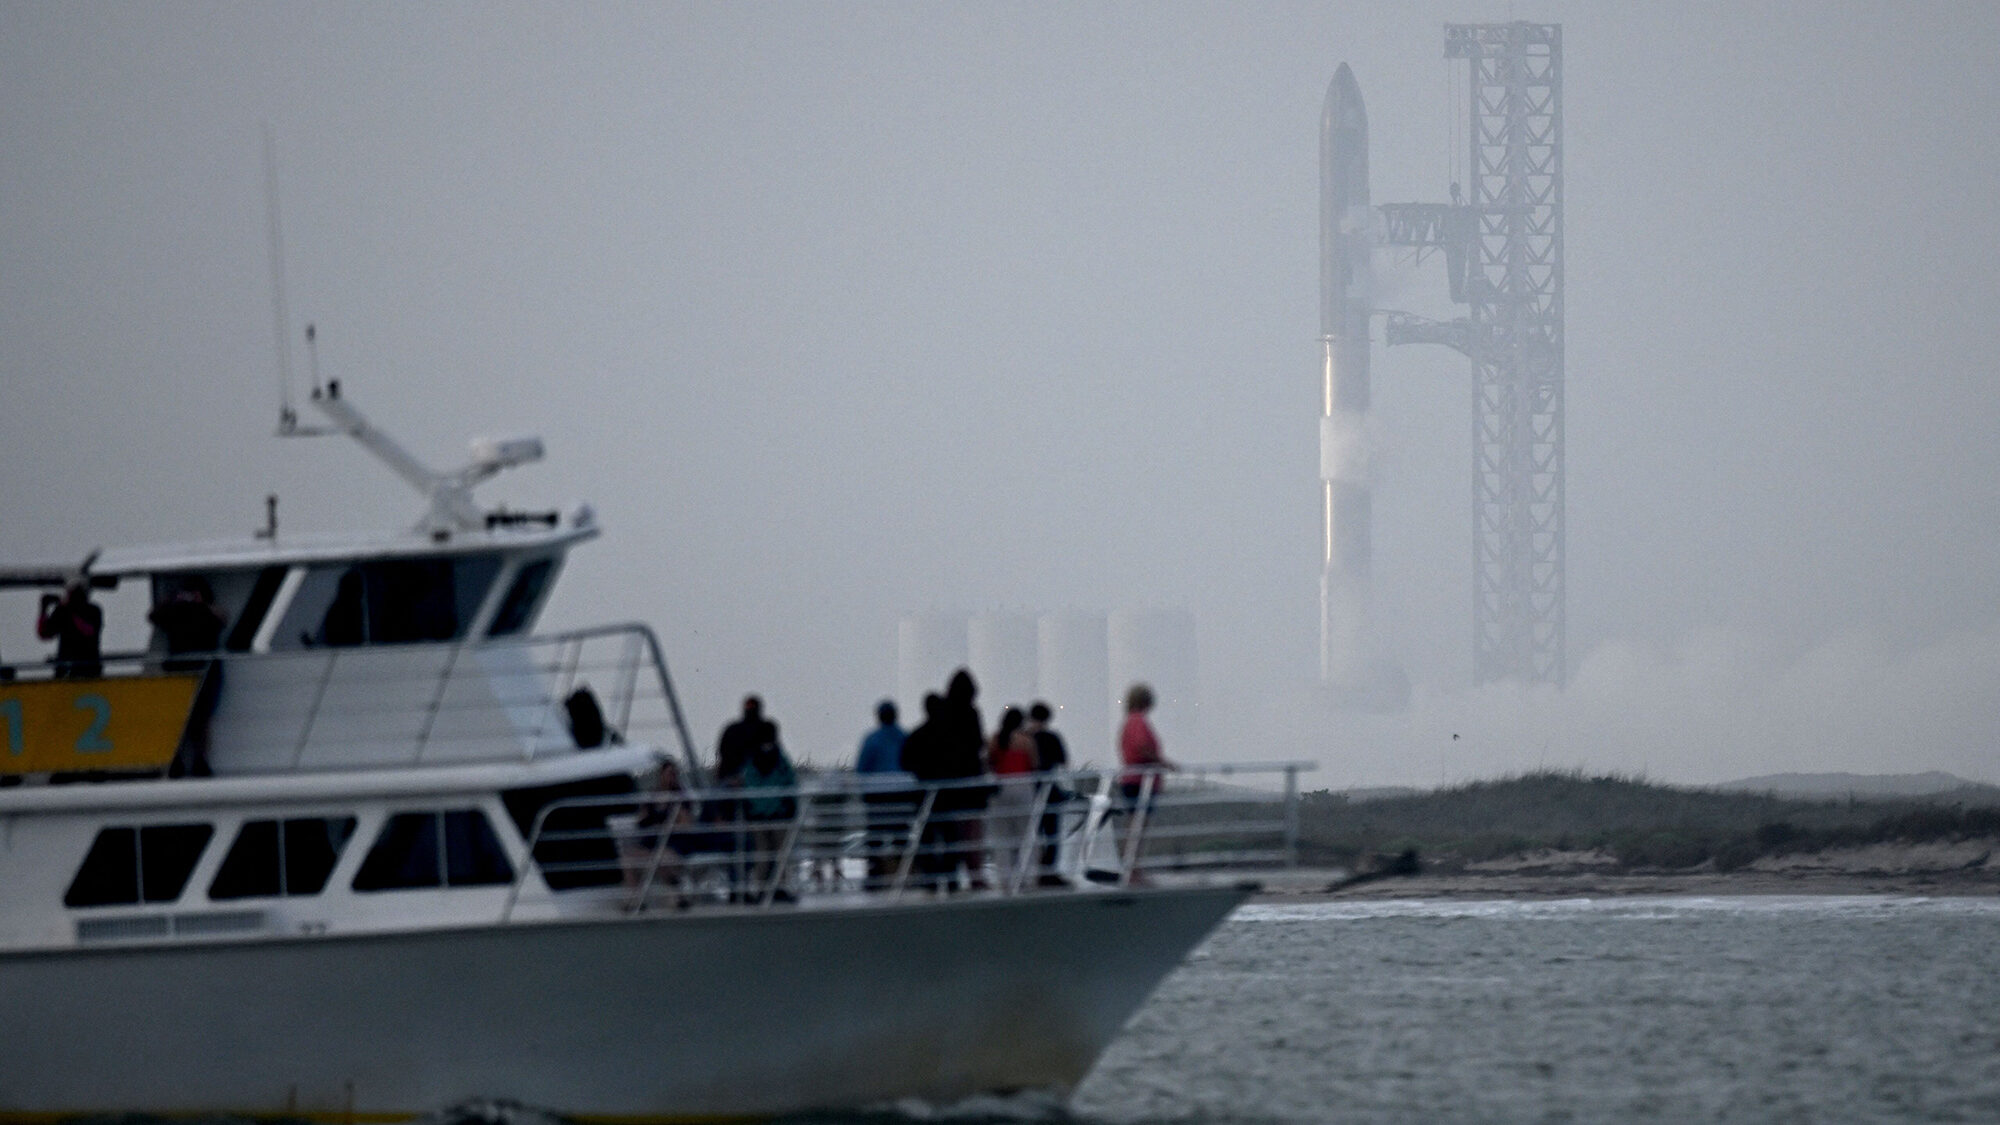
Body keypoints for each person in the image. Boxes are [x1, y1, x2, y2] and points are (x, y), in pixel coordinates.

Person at [148, 578, 228, 778]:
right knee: (177, 719)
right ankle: (176, 761)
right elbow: (153, 616)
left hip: (204, 673)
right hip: (179, 673)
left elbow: (222, 618)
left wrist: (201, 603)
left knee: (201, 720)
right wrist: (174, 601)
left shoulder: (207, 614)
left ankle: (200, 761)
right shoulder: (175, 613)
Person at [855, 699, 910, 889]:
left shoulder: (872, 739)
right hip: (902, 794)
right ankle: (905, 873)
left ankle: (874, 875)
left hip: (877, 794)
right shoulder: (904, 737)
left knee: (875, 837)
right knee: (901, 835)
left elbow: (862, 769)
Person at [738, 725, 798, 900]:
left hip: (759, 816)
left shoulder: (751, 761)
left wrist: (751, 809)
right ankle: (778, 888)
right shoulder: (780, 760)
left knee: (763, 855)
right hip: (777, 815)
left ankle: (763, 890)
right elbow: (790, 783)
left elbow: (747, 787)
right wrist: (791, 807)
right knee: (780, 855)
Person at [986, 706, 1037, 879]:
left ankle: (1005, 878)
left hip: (1001, 788)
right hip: (1023, 786)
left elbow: (990, 763)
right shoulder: (1025, 740)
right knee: (1025, 834)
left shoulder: (995, 739)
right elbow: (1034, 763)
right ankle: (1027, 876)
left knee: (1003, 836)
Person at [1026, 700, 1071, 884]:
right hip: (1049, 790)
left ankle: (1034, 870)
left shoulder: (1025, 737)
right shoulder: (1052, 737)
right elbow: (1063, 761)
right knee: (1052, 833)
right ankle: (1049, 871)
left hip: (1030, 789)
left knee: (1033, 833)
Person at [37, 579, 102, 678]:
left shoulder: (93, 610)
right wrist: (43, 609)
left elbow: (89, 631)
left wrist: (70, 610)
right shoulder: (62, 611)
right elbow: (44, 633)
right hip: (65, 668)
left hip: (89, 669)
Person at [714, 695, 775, 786]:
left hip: (760, 777)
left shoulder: (767, 728)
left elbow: (770, 752)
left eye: (752, 706)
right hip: (732, 776)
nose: (750, 709)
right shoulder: (733, 729)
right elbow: (724, 752)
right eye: (748, 706)